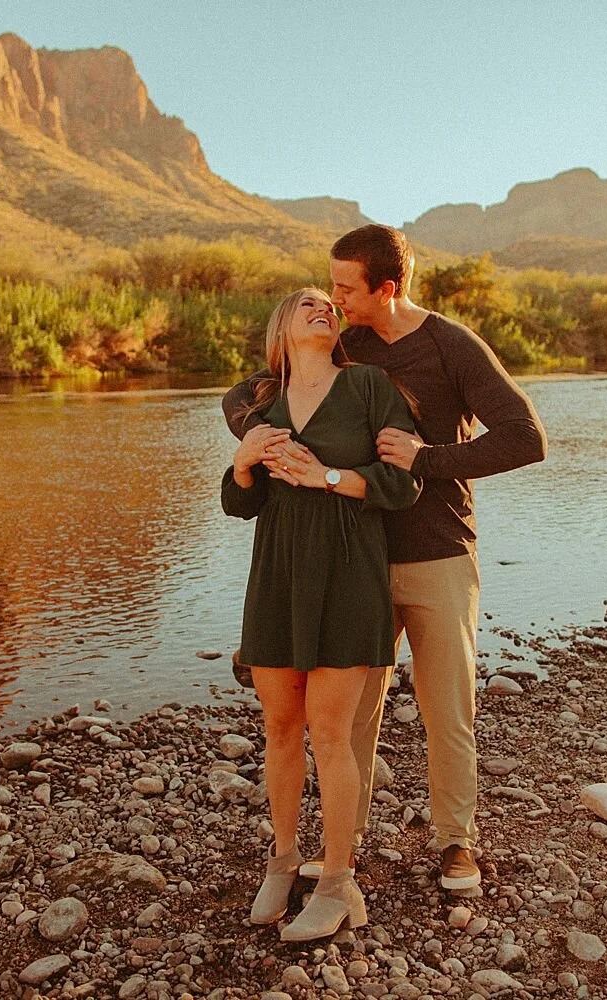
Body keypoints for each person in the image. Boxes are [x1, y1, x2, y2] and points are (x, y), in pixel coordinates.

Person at [224, 225, 547, 893]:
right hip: (356, 556)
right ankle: (350, 841)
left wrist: (431, 460)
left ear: (387, 288)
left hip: (435, 550)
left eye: (345, 288)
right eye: (330, 288)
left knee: (445, 704)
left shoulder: (450, 346)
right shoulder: (348, 346)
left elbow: (525, 437)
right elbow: (248, 395)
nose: (335, 300)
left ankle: (456, 840)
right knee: (351, 713)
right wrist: (270, 447)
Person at [222, 286, 421, 940]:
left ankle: (338, 880)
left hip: (347, 573)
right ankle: (283, 860)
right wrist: (244, 465)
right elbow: (239, 504)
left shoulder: (368, 388)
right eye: (306, 303)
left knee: (330, 732)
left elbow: (405, 483)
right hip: (277, 577)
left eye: (328, 305)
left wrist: (326, 477)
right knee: (280, 727)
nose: (322, 308)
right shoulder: (263, 408)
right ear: (280, 330)